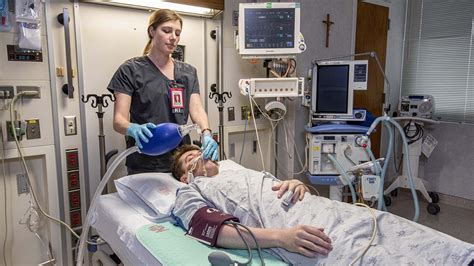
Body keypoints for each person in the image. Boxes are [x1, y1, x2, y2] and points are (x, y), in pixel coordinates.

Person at [170, 145, 474, 265]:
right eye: (189, 158)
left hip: (321, 207)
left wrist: (296, 183)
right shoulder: (190, 191)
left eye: (200, 149)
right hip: (297, 231)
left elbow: (274, 188)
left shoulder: (237, 169)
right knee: (370, 255)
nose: (199, 154)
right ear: (184, 175)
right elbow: (214, 231)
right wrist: (281, 238)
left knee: (391, 226)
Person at [107, 9, 218, 175]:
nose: (173, 37)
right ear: (152, 31)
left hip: (181, 162)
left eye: (177, 33)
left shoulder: (188, 72)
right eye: (166, 31)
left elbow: (196, 109)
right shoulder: (130, 70)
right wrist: (133, 128)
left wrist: (207, 133)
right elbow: (118, 120)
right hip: (144, 162)